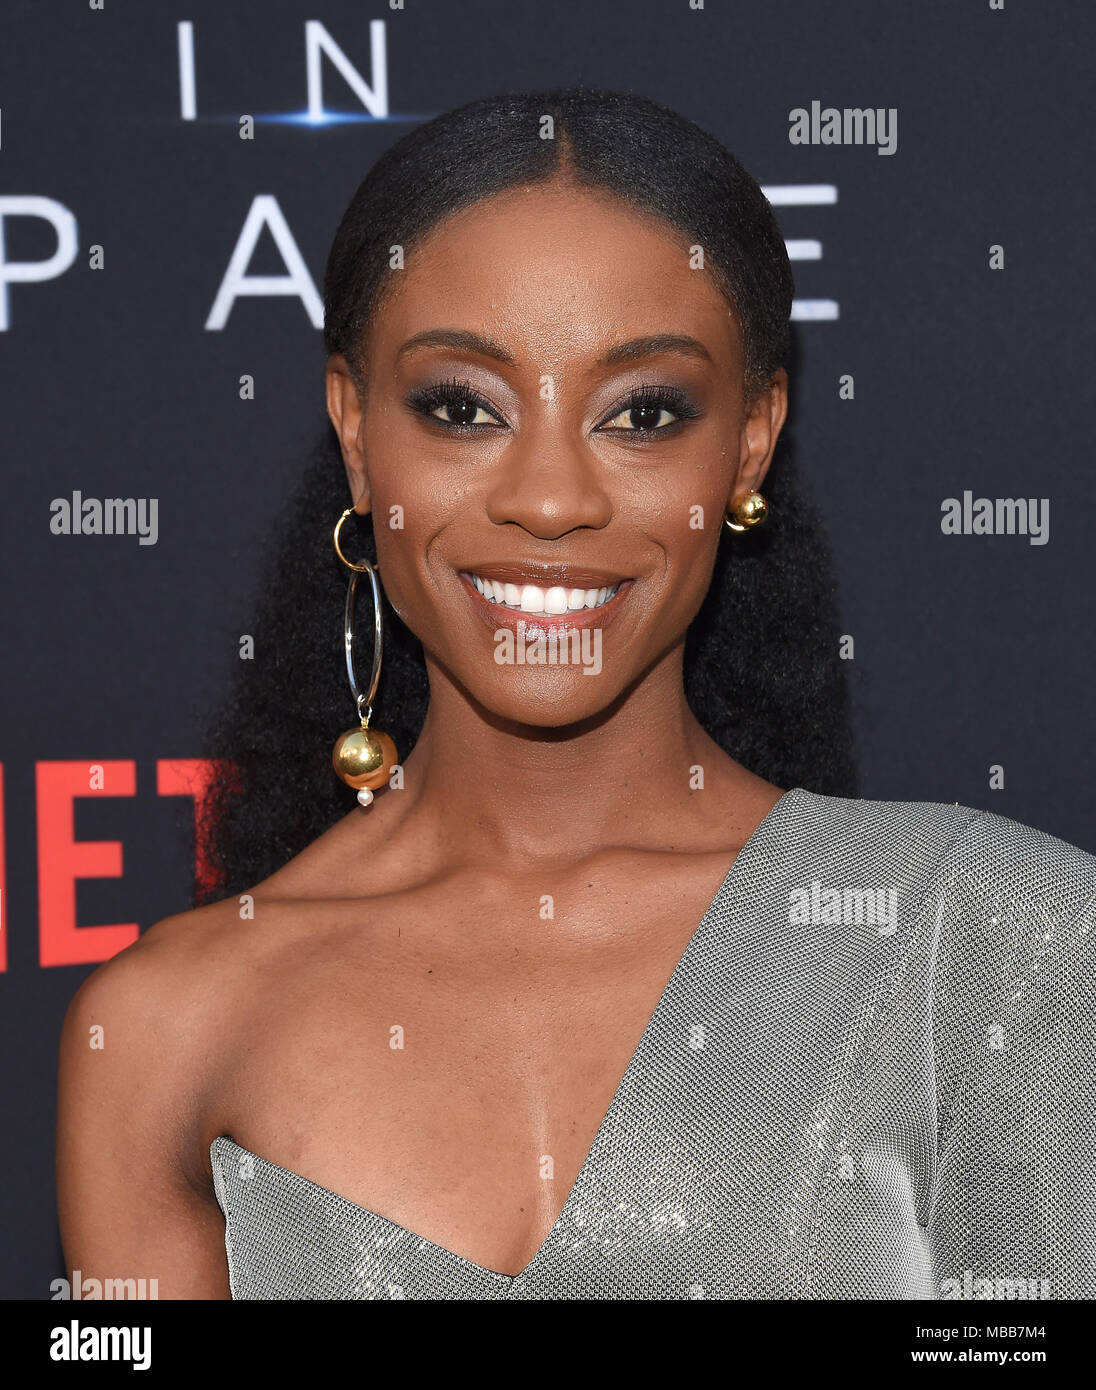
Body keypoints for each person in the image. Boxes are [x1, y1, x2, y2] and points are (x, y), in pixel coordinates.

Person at [56, 87, 1096, 1301]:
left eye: (643, 414)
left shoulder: (997, 938)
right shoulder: (159, 1031)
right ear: (354, 426)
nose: (549, 499)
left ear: (752, 438)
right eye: (462, 408)